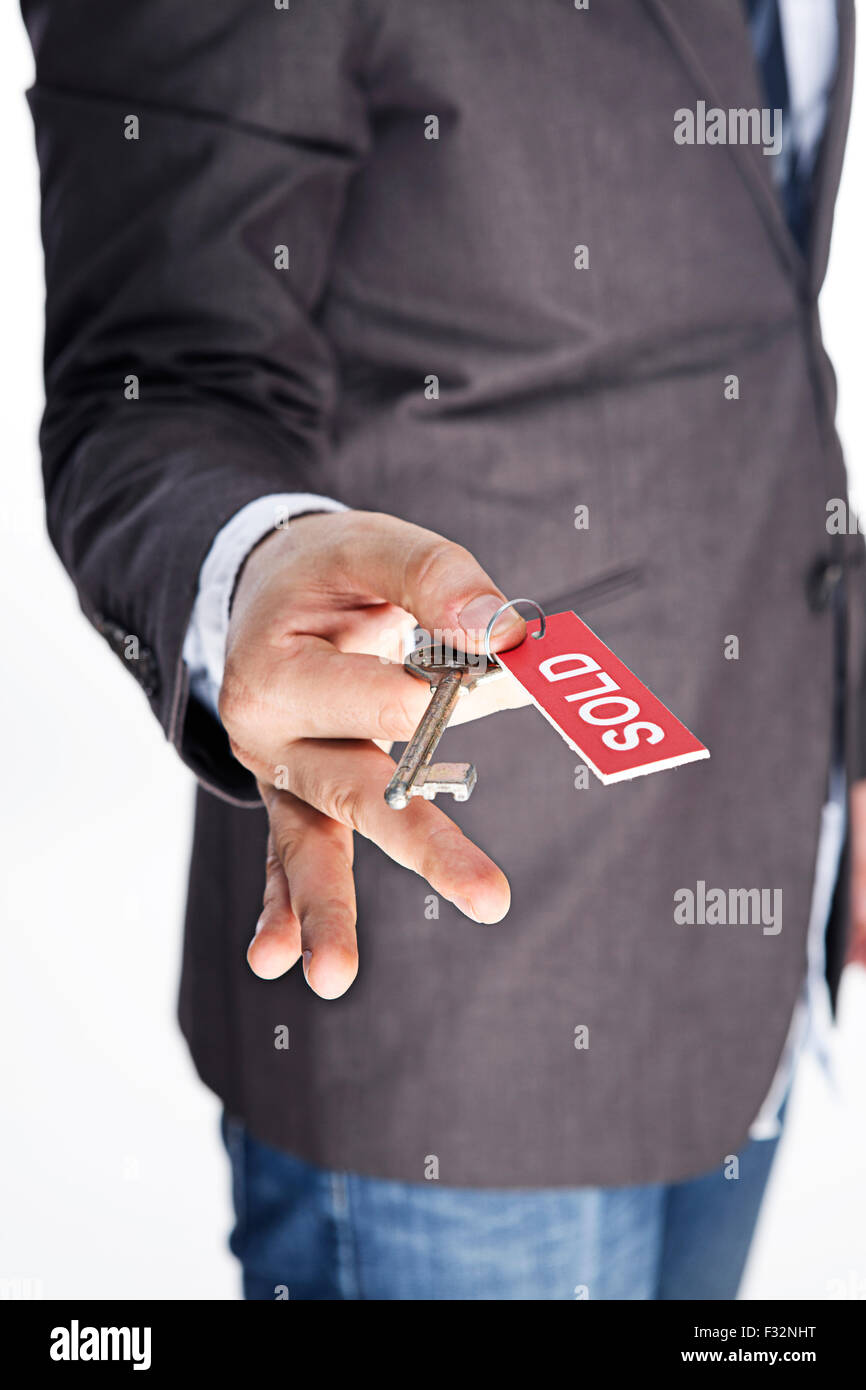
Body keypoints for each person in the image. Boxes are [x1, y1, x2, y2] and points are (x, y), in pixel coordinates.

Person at [22, 0, 866, 1299]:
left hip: (752, 916)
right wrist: (249, 560)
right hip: (454, 1007)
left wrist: (838, 731)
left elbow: (751, 323)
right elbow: (159, 368)